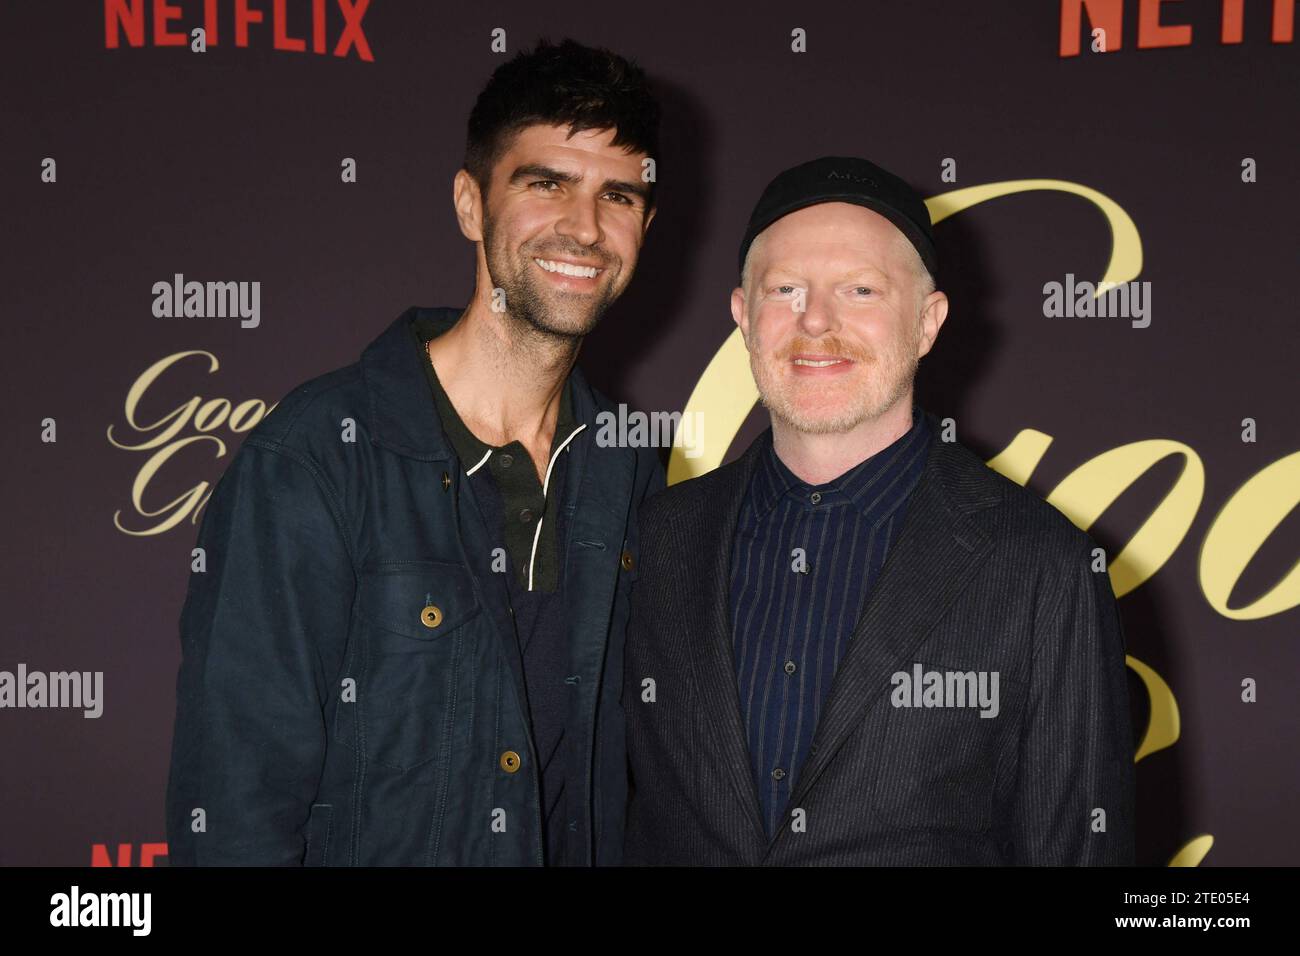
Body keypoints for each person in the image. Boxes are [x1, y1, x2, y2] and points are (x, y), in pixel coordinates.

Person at [166, 38, 664, 866]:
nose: (584, 227)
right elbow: (233, 815)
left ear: (645, 224)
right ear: (471, 205)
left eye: (619, 195)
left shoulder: (628, 470)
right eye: (546, 184)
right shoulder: (317, 458)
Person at [623, 156, 1135, 865]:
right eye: (786, 289)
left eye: (861, 290)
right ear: (744, 319)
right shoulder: (654, 539)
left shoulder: (1043, 565)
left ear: (928, 323)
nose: (817, 321)